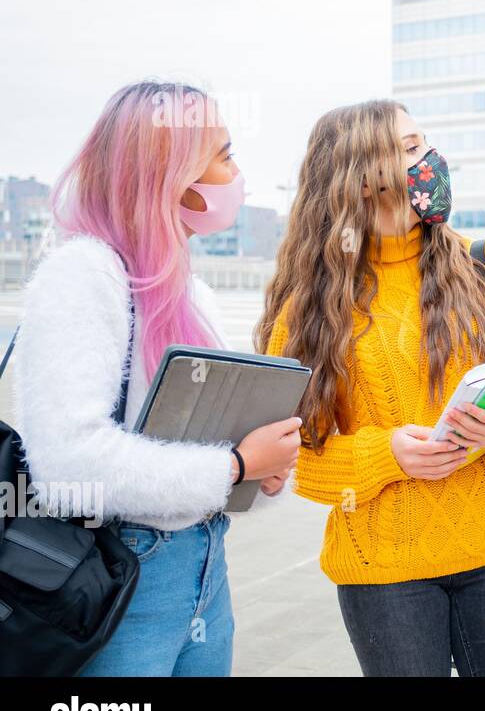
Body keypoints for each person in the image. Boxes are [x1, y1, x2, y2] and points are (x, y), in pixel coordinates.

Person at [255, 99, 485, 676]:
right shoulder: (307, 309)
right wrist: (388, 455)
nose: (428, 160)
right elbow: (292, 456)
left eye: (423, 143)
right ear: (361, 174)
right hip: (384, 572)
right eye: (408, 149)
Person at [14, 80, 300, 676]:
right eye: (222, 155)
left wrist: (260, 474)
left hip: (204, 566)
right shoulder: (85, 277)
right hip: (119, 575)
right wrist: (235, 467)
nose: (237, 174)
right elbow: (68, 466)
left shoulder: (192, 293)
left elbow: (202, 447)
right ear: (168, 172)